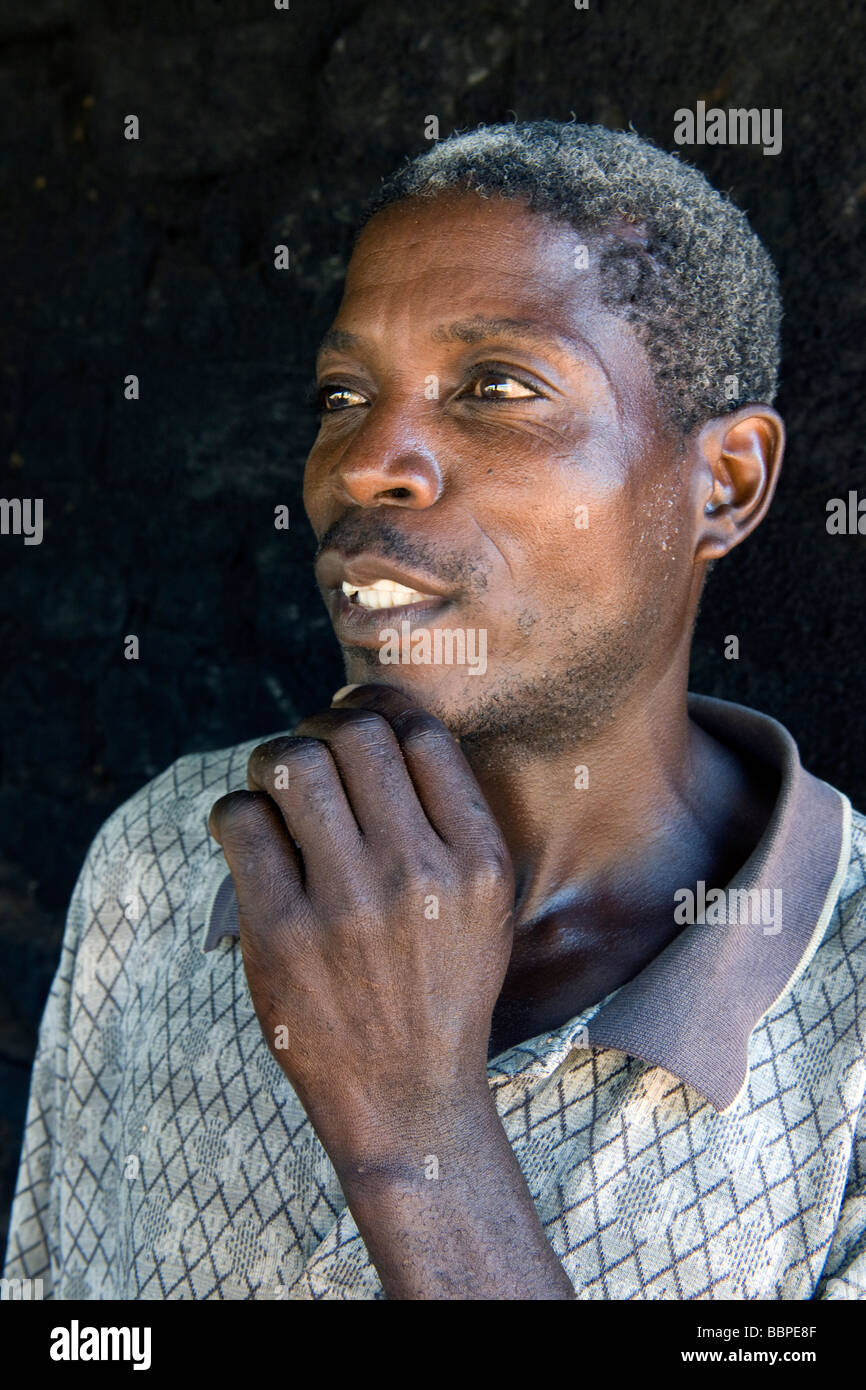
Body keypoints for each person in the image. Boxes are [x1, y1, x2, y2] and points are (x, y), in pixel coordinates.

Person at [4, 121, 864, 1301]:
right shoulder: (167, 861)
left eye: (496, 385)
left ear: (722, 484)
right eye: (341, 393)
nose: (365, 462)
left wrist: (414, 1129)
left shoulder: (847, 1015)